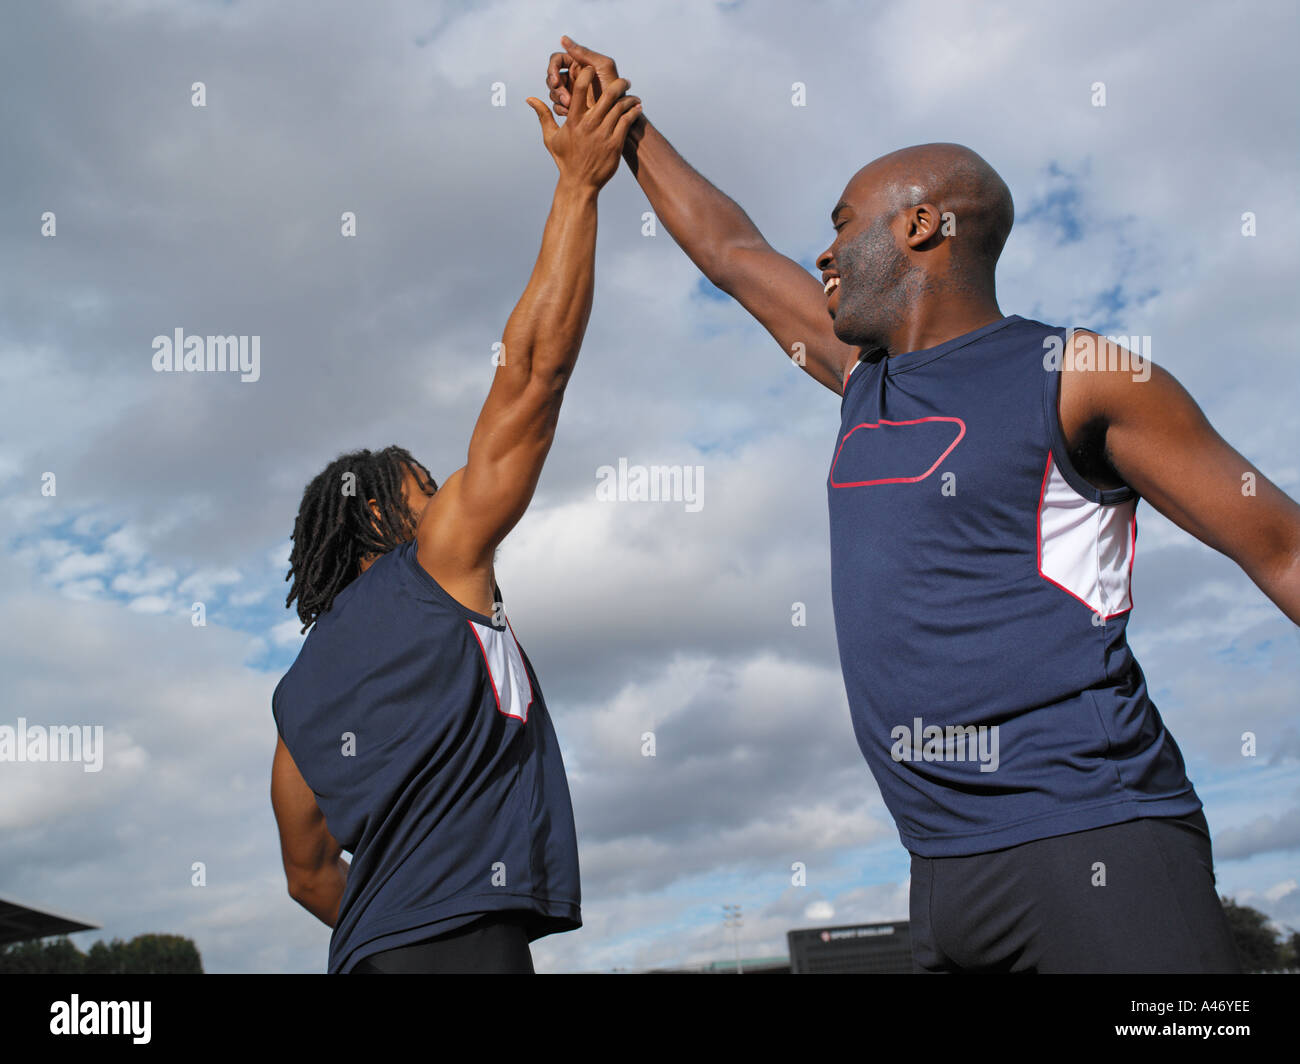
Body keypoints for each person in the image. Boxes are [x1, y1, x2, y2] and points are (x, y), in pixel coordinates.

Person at [545, 37, 1300, 973]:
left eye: (841, 222)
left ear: (920, 227)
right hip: (940, 872)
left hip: (1096, 839)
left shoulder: (1077, 375)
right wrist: (625, 121)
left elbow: (1281, 547)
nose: (821, 249)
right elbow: (735, 254)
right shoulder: (867, 377)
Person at [269, 67, 643, 974]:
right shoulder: (436, 566)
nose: (447, 498)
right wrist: (578, 185)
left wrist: (396, 927)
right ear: (380, 525)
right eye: (426, 486)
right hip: (471, 945)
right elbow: (529, 375)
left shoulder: (292, 710)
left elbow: (308, 875)